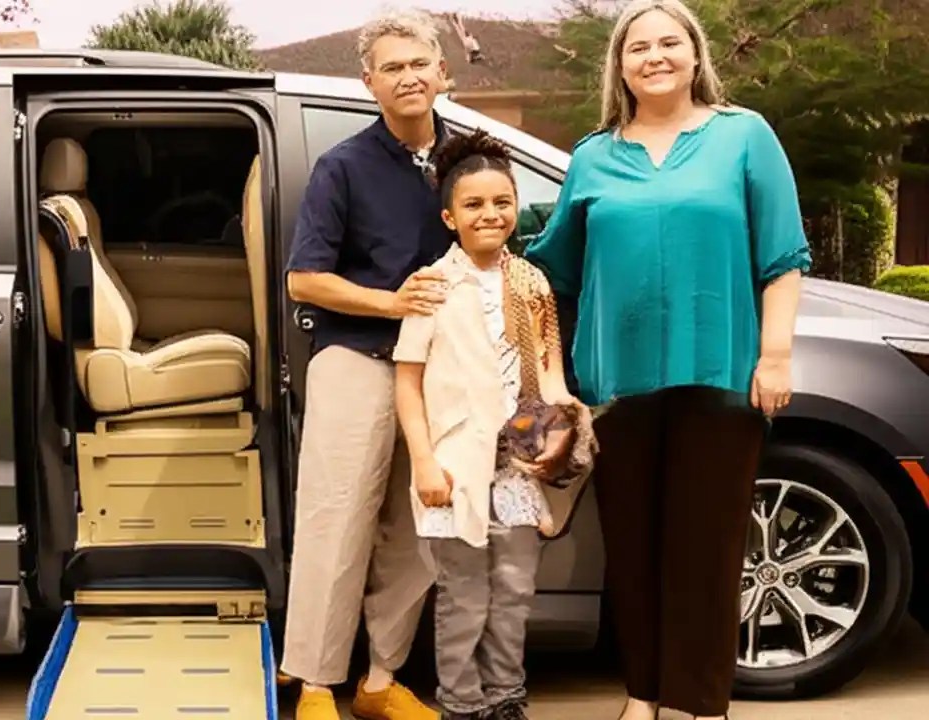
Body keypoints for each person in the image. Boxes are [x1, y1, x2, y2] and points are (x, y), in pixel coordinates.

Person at [522, 1, 814, 719]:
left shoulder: (743, 136)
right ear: (618, 65)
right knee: (633, 549)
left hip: (719, 375)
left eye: (668, 43)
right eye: (638, 47)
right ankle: (643, 696)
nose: (654, 56)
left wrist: (774, 356)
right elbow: (551, 269)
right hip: (615, 385)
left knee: (707, 550)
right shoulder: (593, 154)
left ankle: (700, 703)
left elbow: (783, 257)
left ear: (694, 55)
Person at [279, 9, 456, 720]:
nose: (408, 77)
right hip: (357, 355)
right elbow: (303, 280)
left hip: (441, 372)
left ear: (443, 72)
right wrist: (392, 303)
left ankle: (380, 681)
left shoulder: (468, 159)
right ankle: (317, 684)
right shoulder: (341, 167)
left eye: (419, 64)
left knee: (417, 533)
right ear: (369, 83)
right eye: (392, 68)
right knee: (336, 521)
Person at [392, 129, 595, 720]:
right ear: (450, 217)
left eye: (502, 202)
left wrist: (562, 437)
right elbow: (407, 381)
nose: (491, 214)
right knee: (463, 593)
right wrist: (424, 462)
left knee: (514, 589)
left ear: (516, 207)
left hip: (517, 468)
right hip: (455, 464)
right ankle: (460, 703)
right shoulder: (432, 286)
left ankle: (506, 697)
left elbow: (551, 376)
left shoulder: (533, 285)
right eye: (474, 205)